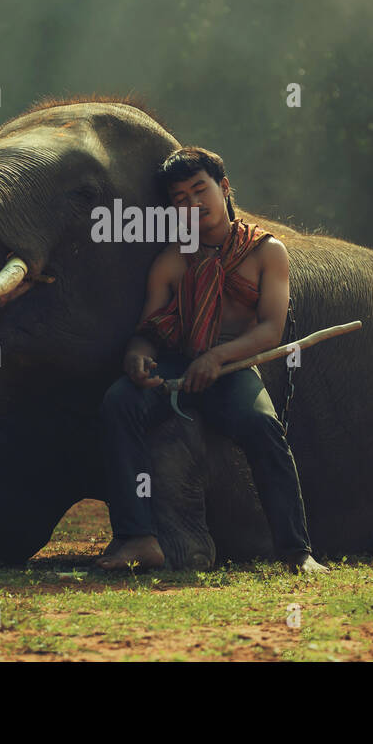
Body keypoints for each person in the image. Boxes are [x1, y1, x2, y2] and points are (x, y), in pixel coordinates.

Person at [96, 146, 328, 573]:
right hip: (176, 365)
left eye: (200, 190)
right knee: (119, 401)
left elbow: (270, 329)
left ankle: (297, 551)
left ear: (223, 188)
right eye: (180, 198)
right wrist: (137, 359)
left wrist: (216, 357)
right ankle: (137, 537)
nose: (192, 203)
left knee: (262, 425)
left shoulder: (266, 252)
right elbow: (148, 331)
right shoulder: (170, 260)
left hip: (233, 369)